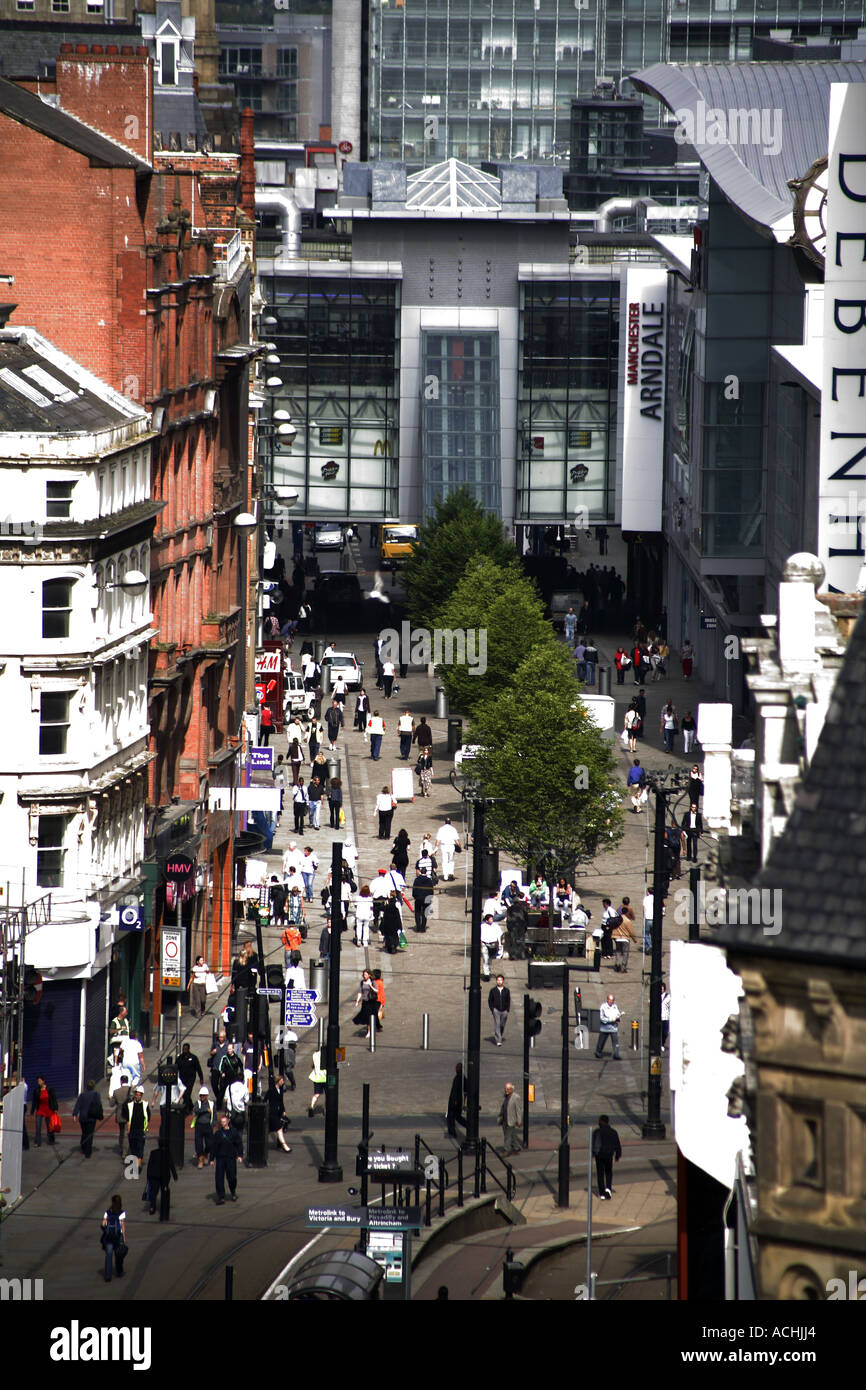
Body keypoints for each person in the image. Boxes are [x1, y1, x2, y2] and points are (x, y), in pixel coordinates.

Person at [211, 1112, 244, 1205]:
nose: (223, 1123)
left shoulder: (234, 1132)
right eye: (221, 1122)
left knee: (232, 1176)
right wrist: (211, 1159)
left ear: (228, 1121)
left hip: (230, 1158)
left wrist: (240, 1155)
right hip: (220, 1158)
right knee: (219, 1178)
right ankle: (221, 1196)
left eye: (224, 1121)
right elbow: (214, 1147)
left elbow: (239, 1144)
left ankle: (233, 1191)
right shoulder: (218, 1133)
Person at [592, 1115, 622, 1200]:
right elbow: (617, 1144)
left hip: (600, 1155)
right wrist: (617, 1155)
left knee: (600, 1174)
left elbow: (594, 1144)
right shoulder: (613, 1132)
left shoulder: (597, 1132)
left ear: (601, 1121)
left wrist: (593, 1153)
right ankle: (608, 1189)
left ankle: (602, 1193)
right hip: (609, 1155)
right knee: (608, 1172)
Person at [73, 1078, 103, 1157]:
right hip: (91, 1117)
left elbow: (78, 1105)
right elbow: (99, 1105)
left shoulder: (82, 1095)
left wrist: (75, 1114)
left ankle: (83, 1146)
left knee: (84, 1132)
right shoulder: (96, 1095)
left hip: (83, 1117)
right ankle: (88, 1151)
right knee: (90, 1134)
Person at [101, 1195, 127, 1282]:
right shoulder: (122, 1213)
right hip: (117, 1237)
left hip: (108, 1237)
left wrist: (104, 1227)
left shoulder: (107, 1212)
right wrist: (124, 1237)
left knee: (108, 1255)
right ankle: (119, 1271)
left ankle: (108, 1276)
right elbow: (122, 1225)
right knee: (118, 1254)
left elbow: (103, 1223)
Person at [123, 1087, 149, 1174]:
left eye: (139, 1095)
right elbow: (127, 1117)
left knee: (140, 1147)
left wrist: (145, 1128)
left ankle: (139, 1165)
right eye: (136, 1095)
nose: (138, 1096)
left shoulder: (145, 1105)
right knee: (133, 1147)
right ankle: (135, 1164)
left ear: (142, 1095)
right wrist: (128, 1128)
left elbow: (148, 1117)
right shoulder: (130, 1105)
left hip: (141, 1130)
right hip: (132, 1130)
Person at [31, 1075, 59, 1146]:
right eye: (38, 1081)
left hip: (48, 1109)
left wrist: (55, 1108)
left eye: (40, 1081)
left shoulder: (50, 1089)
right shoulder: (36, 1090)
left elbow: (54, 1099)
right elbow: (34, 1101)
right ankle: (37, 1142)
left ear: (43, 1081)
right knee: (38, 1126)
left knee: (49, 1126)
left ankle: (51, 1140)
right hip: (40, 1109)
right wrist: (32, 1110)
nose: (39, 1082)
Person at [267, 1076, 293, 1153]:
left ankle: (261, 1141)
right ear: (278, 1081)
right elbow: (265, 1099)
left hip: (278, 1113)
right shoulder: (271, 1090)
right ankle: (284, 1145)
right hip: (272, 1113)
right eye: (281, 1080)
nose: (283, 1082)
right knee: (279, 1129)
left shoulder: (280, 1090)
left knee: (271, 1129)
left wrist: (283, 1110)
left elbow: (281, 1101)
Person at [177, 1043, 204, 1114]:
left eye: (186, 1049)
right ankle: (191, 1105)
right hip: (182, 1079)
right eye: (183, 1049)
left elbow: (198, 1068)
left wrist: (201, 1078)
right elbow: (176, 1068)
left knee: (187, 1093)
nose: (184, 1050)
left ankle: (186, 1109)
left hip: (191, 1078)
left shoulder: (194, 1058)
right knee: (184, 1094)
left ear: (189, 1049)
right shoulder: (179, 1058)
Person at [612, 899, 637, 973]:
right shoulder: (627, 920)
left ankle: (617, 964)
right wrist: (634, 939)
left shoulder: (617, 919)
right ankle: (623, 967)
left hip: (617, 937)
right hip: (625, 938)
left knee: (618, 952)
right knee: (625, 953)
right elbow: (631, 931)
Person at [192, 1087, 215, 1167]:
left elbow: (214, 1115)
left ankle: (205, 1154)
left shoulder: (211, 1104)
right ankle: (200, 1159)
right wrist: (205, 1110)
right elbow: (197, 1110)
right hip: (199, 1126)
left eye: (203, 1095)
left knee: (210, 1144)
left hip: (208, 1126)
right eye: (201, 1095)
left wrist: (213, 1124)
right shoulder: (197, 1103)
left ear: (207, 1095)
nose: (202, 1097)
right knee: (198, 1145)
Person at [594, 993, 622, 1060]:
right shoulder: (603, 1006)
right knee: (601, 1041)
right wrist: (609, 1020)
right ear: (607, 1000)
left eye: (612, 1000)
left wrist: (618, 1017)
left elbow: (617, 1013)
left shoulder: (615, 1006)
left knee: (615, 1042)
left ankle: (616, 1054)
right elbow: (601, 1017)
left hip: (613, 1028)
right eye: (610, 1000)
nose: (611, 1001)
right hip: (605, 1028)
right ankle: (598, 1052)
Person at [353, 970, 380, 1038]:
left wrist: (370, 986)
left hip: (371, 1002)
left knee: (370, 1016)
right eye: (364, 974)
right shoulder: (362, 982)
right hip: (365, 1002)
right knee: (366, 1016)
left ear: (369, 975)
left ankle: (369, 1031)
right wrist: (357, 1001)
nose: (364, 976)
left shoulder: (372, 982)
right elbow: (360, 992)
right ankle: (370, 1030)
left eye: (366, 974)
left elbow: (377, 990)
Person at [498, 1082, 522, 1155]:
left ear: (512, 1089)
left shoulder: (516, 1097)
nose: (506, 1090)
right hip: (504, 1119)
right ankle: (516, 1147)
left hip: (511, 1120)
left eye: (508, 1089)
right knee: (512, 1134)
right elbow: (504, 1107)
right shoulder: (506, 1096)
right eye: (506, 1089)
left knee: (507, 1136)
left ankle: (507, 1150)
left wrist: (519, 1121)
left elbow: (518, 1110)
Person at [481, 912, 505, 981]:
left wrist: (500, 944)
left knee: (490, 959)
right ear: (486, 920)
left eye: (492, 919)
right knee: (485, 959)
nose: (492, 920)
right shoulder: (482, 926)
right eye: (490, 919)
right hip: (484, 944)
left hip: (493, 944)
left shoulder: (496, 926)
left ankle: (488, 970)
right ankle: (486, 974)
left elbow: (499, 936)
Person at [488, 974, 511, 1047]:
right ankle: (498, 1040)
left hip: (504, 1010)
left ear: (503, 981)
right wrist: (492, 1009)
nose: (499, 981)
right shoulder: (493, 990)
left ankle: (499, 1034)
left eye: (500, 980)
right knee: (497, 1024)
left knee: (502, 1024)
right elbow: (490, 1000)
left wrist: (507, 1009)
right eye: (498, 980)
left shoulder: (506, 991)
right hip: (496, 1010)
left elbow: (508, 1000)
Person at [412, 865, 436, 931]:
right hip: (426, 899)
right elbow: (431, 890)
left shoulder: (417, 879)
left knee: (417, 913)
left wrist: (415, 896)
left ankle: (418, 927)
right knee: (424, 914)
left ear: (420, 872)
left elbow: (414, 889)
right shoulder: (429, 880)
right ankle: (423, 928)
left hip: (418, 898)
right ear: (426, 872)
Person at [113, 1073, 132, 1156]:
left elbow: (111, 1104)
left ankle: (122, 1148)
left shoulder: (116, 1091)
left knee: (121, 1132)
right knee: (127, 1132)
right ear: (127, 1081)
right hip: (129, 1114)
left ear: (121, 1081)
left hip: (120, 1114)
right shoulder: (131, 1091)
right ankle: (125, 1150)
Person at [447, 1063, 467, 1138]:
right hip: (457, 1100)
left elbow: (455, 1091)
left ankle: (452, 1131)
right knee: (457, 1116)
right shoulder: (462, 1077)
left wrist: (455, 1100)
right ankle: (467, 1125)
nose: (456, 1069)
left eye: (457, 1068)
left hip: (454, 1101)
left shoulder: (459, 1078)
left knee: (452, 1116)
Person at [308, 1049, 327, 1117]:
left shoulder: (315, 1054)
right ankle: (325, 1110)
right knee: (328, 1095)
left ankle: (312, 1106)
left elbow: (312, 1065)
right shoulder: (328, 1053)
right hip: (326, 1077)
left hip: (317, 1077)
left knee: (316, 1094)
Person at [661, 982, 672, 1053]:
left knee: (665, 1032)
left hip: (666, 1017)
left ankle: (662, 1042)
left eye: (662, 989)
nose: (661, 990)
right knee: (659, 1032)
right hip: (659, 1017)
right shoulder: (656, 996)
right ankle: (661, 1044)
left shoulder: (668, 996)